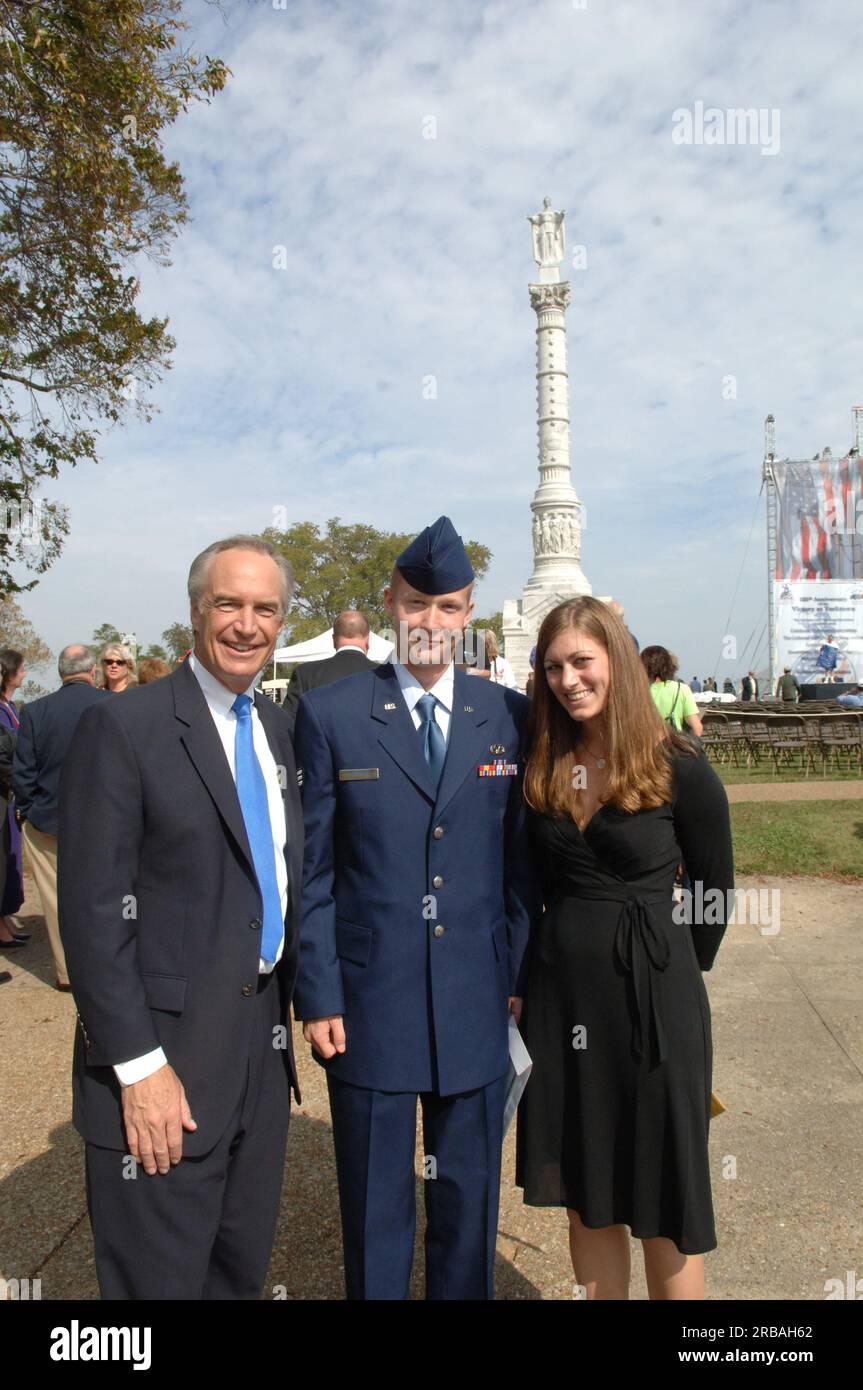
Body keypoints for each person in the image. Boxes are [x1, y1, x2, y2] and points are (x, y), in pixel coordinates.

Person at [293, 515, 537, 1300]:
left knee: (468, 1199)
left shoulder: (507, 717)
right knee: (374, 1202)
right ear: (390, 603)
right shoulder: (332, 714)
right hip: (370, 1000)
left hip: (475, 995)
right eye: (416, 605)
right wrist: (320, 990)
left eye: (450, 608)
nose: (431, 624)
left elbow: (520, 867)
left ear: (470, 615)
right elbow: (315, 869)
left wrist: (520, 972)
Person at [57, 536, 303, 1300]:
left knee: (236, 1276)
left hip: (258, 1054)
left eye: (265, 608)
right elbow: (94, 914)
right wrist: (137, 1067)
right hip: (164, 1064)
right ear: (196, 612)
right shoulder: (124, 727)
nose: (246, 624)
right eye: (228, 604)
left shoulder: (275, 728)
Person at [515, 596, 733, 1299]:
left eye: (581, 661)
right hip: (561, 1002)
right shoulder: (544, 763)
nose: (567, 679)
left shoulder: (681, 766)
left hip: (653, 1004)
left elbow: (712, 896)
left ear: (617, 661)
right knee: (587, 1185)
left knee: (666, 1193)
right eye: (552, 666)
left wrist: (668, 969)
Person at [12, 646, 106, 990]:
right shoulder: (110, 706)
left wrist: (30, 809)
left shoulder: (36, 711)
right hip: (101, 822)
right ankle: (103, 967)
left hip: (48, 820)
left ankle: (68, 973)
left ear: (60, 671)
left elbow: (24, 772)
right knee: (102, 897)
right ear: (92, 671)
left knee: (54, 900)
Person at [281, 610, 377, 731]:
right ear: (368, 640)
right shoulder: (386, 675)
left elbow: (287, 726)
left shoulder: (305, 674)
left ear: (333, 640)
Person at [0, 648, 26, 945]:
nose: (24, 673)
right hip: (6, 790)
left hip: (10, 795)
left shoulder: (11, 706)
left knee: (11, 859)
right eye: (21, 668)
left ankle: (5, 919)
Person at [640, 647, 704, 738]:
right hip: (675, 747)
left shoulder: (639, 692)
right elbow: (697, 728)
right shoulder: (681, 689)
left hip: (647, 747)